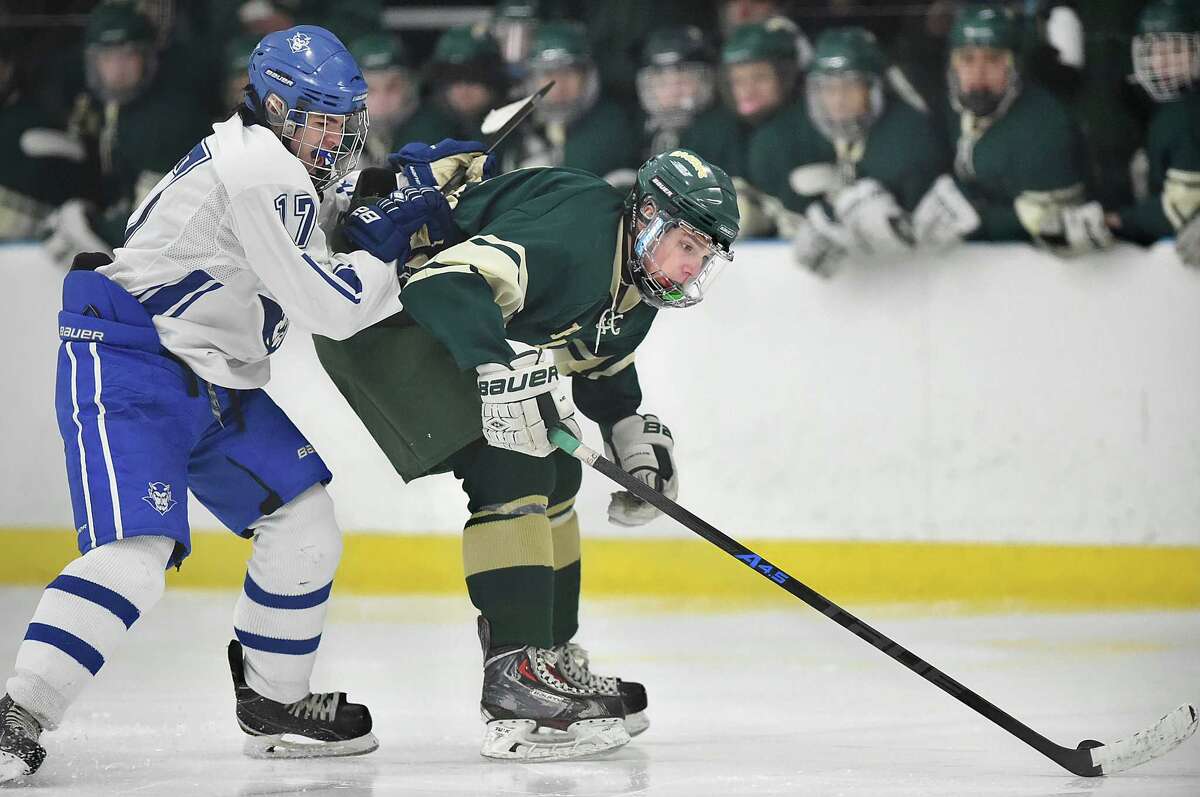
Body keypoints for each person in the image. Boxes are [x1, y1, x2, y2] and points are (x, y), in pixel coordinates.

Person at [0, 25, 403, 783]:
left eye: (343, 122)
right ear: (278, 106)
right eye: (322, 120)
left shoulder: (267, 157)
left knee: (304, 521)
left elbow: (314, 222)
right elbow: (333, 306)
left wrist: (388, 196)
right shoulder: (262, 170)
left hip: (209, 369)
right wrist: (394, 244)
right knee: (133, 558)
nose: (336, 138)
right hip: (130, 360)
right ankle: (16, 713)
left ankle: (276, 703)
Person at [313, 145, 740, 760]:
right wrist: (498, 366)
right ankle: (516, 683)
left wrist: (627, 431)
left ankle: (548, 662)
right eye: (685, 245)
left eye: (702, 257)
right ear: (645, 214)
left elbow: (599, 359)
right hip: (383, 323)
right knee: (512, 464)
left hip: (438, 323)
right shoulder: (576, 239)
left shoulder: (637, 281)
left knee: (557, 469)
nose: (688, 268)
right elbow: (445, 282)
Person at [910, 3, 1112, 257]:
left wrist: (977, 218)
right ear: (952, 66)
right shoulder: (950, 111)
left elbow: (1049, 224)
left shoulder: (1045, 127)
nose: (978, 74)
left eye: (993, 59)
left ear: (1014, 65)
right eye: (967, 59)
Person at [747, 27, 944, 276]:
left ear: (872, 89)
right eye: (828, 89)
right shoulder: (791, 136)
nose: (838, 100)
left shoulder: (909, 135)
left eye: (850, 87)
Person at [41, 3, 211, 265]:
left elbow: (157, 219)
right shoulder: (109, 108)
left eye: (128, 56)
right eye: (107, 58)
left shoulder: (170, 119)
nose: (118, 69)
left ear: (147, 57)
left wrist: (93, 225)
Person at [1105, 0, 1200, 267]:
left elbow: (1180, 210)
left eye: (1175, 50)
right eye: (1154, 50)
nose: (1161, 61)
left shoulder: (1186, 115)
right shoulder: (1161, 109)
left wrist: (1115, 221)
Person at [500, 21, 640, 187]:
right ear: (532, 79)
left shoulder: (613, 128)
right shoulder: (516, 126)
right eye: (548, 73)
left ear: (588, 77)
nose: (558, 84)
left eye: (568, 73)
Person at [637, 24, 718, 159]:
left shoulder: (717, 130)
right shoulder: (643, 130)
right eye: (662, 84)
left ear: (703, 82)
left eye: (683, 82)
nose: (673, 92)